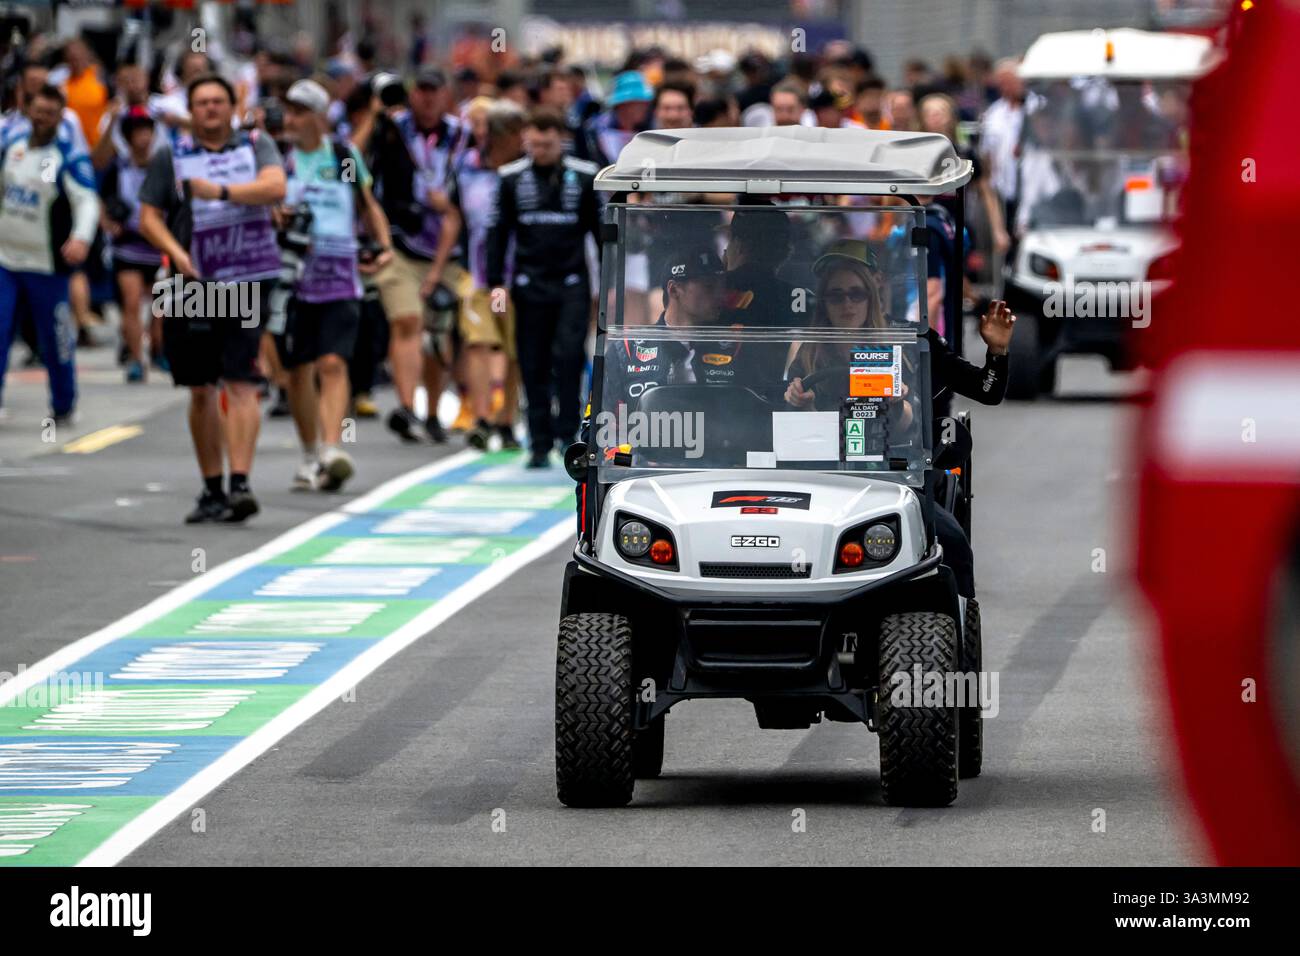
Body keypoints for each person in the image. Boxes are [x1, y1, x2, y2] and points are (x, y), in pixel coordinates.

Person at [785, 240, 1016, 598]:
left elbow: (987, 390)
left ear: (873, 291)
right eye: (836, 296)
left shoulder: (912, 340)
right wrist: (801, 405)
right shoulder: (809, 354)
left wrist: (997, 351)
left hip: (900, 476)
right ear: (823, 300)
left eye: (856, 294)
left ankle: (960, 630)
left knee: (952, 540)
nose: (847, 304)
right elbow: (789, 434)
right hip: (824, 476)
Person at [138, 73, 286, 524]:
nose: (210, 109)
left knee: (241, 380)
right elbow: (148, 217)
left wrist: (219, 191)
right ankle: (211, 489)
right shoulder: (171, 155)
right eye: (201, 103)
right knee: (200, 387)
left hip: (246, 275)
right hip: (189, 282)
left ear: (230, 105)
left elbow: (275, 187)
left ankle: (241, 482)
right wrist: (176, 252)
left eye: (218, 101)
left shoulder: (255, 145)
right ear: (191, 109)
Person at [278, 78, 393, 492]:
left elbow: (368, 205)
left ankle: (329, 452)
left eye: (300, 111)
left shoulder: (344, 155)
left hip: (341, 275)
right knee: (297, 370)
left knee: (333, 363)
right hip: (291, 278)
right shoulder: (279, 157)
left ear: (319, 116)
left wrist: (384, 244)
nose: (290, 119)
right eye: (288, 111)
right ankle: (309, 454)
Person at [486, 108, 602, 467]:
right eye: (535, 143)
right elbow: (497, 233)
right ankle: (537, 442)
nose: (542, 150)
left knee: (569, 357)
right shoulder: (509, 179)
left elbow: (602, 233)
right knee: (532, 362)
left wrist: (610, 284)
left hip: (572, 284)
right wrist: (495, 284)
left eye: (549, 143)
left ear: (560, 141)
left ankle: (568, 435)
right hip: (527, 283)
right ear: (526, 142)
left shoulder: (584, 177)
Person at [364, 67, 465, 443]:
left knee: (437, 332)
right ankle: (407, 408)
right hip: (401, 245)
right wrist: (373, 113)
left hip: (446, 248)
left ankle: (434, 410)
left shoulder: (462, 133)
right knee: (407, 321)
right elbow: (351, 158)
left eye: (433, 91)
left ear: (445, 95)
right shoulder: (391, 126)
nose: (426, 98)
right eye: (419, 90)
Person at [0, 84, 98, 423]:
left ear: (60, 117)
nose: (42, 119)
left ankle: (63, 402)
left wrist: (81, 238)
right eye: (38, 111)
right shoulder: (11, 147)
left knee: (55, 340)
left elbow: (87, 201)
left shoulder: (68, 156)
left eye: (50, 114)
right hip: (6, 260)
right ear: (28, 110)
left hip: (47, 266)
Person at [439, 99, 525, 451]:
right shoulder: (465, 167)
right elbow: (454, 217)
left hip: (518, 274)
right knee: (477, 343)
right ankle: (481, 418)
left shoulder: (525, 171)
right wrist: (438, 269)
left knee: (514, 348)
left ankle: (507, 419)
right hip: (477, 276)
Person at [100, 106, 165, 383]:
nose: (144, 138)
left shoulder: (163, 166)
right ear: (128, 138)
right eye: (138, 132)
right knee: (130, 302)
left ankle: (159, 349)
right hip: (127, 244)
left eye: (147, 131)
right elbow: (101, 200)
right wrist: (107, 223)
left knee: (161, 306)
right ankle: (138, 360)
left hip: (158, 246)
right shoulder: (118, 167)